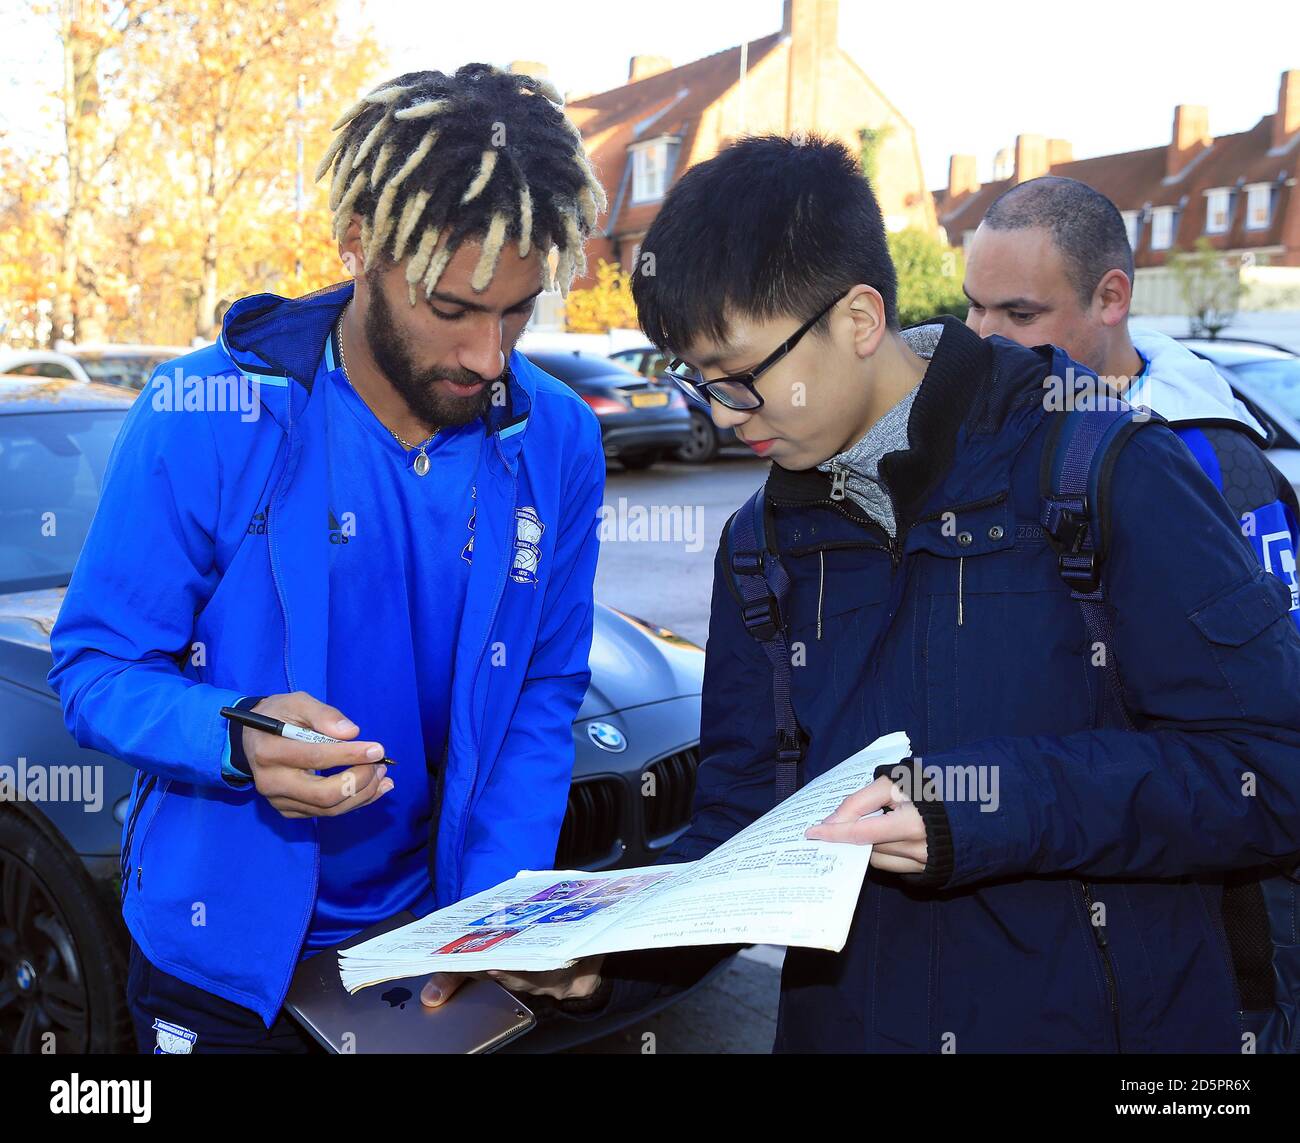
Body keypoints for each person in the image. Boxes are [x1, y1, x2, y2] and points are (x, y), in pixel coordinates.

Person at [479, 135, 1300, 1051]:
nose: (720, 414)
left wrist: (984, 807)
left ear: (860, 319)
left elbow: (1269, 770)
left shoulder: (1108, 471)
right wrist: (608, 954)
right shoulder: (759, 545)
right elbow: (741, 824)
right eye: (696, 379)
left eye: (743, 376)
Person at [47, 63, 607, 1053]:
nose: (489, 356)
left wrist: (490, 911)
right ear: (359, 245)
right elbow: (94, 671)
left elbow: (544, 684)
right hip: (219, 973)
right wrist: (233, 735)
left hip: (427, 954)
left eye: (516, 312)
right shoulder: (206, 412)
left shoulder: (557, 436)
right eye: (452, 306)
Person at [963, 176, 1300, 1040]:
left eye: (1019, 314)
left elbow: (1266, 739)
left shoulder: (1218, 460)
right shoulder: (993, 435)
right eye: (973, 310)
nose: (984, 340)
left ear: (1112, 297)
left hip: (1225, 926)